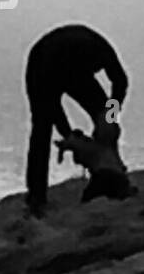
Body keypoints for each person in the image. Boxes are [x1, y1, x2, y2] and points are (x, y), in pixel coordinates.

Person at [24, 24, 128, 214]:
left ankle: (111, 175)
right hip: (42, 66)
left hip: (73, 62)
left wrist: (110, 116)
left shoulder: (100, 50)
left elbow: (120, 80)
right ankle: (36, 196)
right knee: (42, 127)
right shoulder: (49, 68)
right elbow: (52, 107)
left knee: (104, 115)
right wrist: (69, 134)